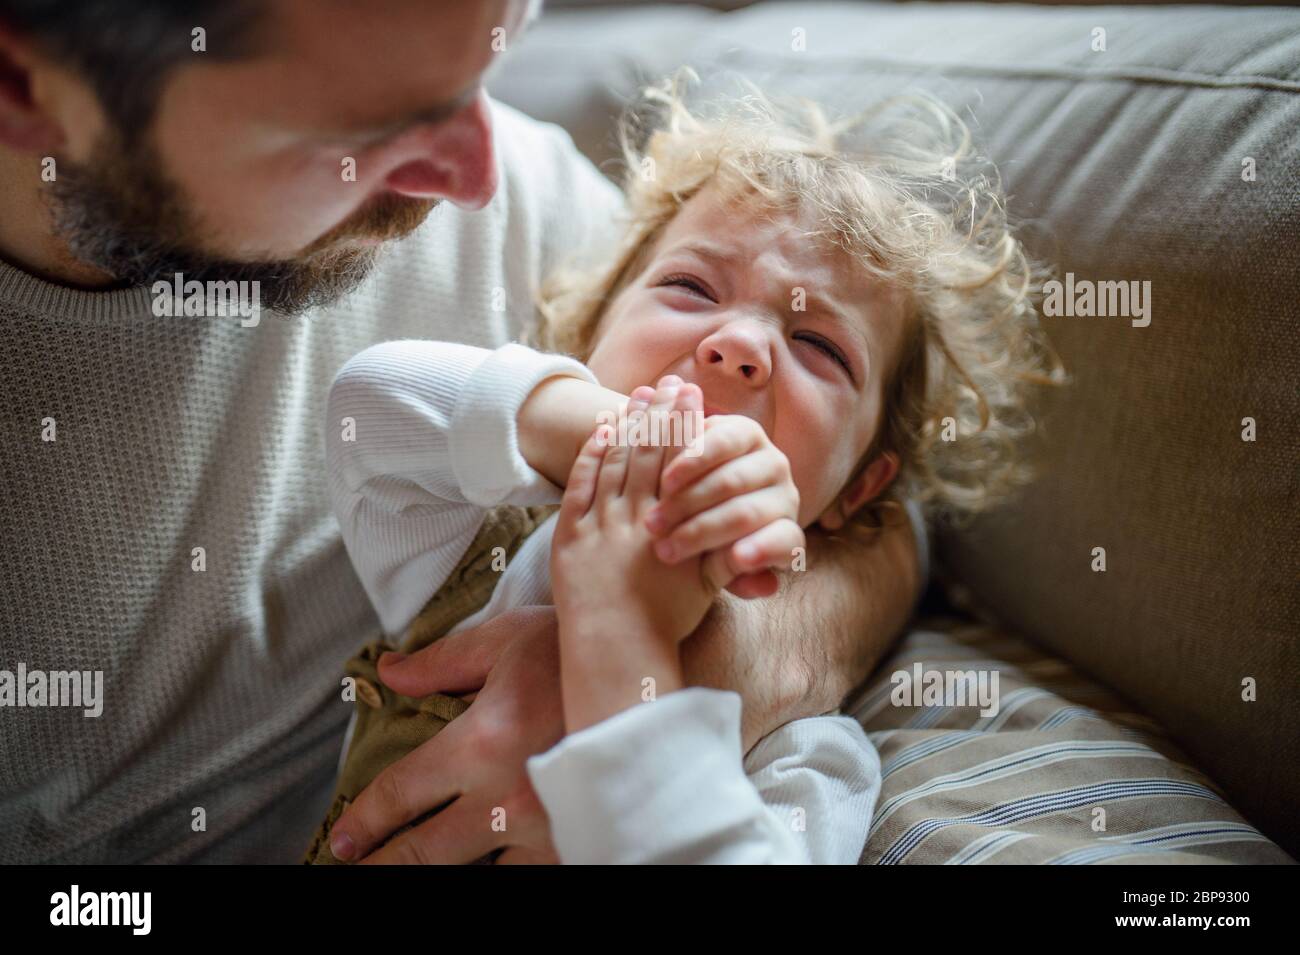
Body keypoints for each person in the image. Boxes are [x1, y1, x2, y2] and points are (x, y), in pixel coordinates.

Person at [0, 0, 919, 864]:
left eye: (495, 56)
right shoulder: (475, 539)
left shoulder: (542, 209)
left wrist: (652, 656)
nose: (478, 182)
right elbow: (374, 410)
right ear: (24, 82)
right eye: (366, 124)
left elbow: (910, 519)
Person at [313, 76, 1057, 864]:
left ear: (859, 488)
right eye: (690, 287)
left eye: (820, 347)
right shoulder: (477, 534)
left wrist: (620, 635)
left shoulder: (805, 748)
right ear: (586, 338)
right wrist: (612, 433)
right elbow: (371, 403)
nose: (740, 344)